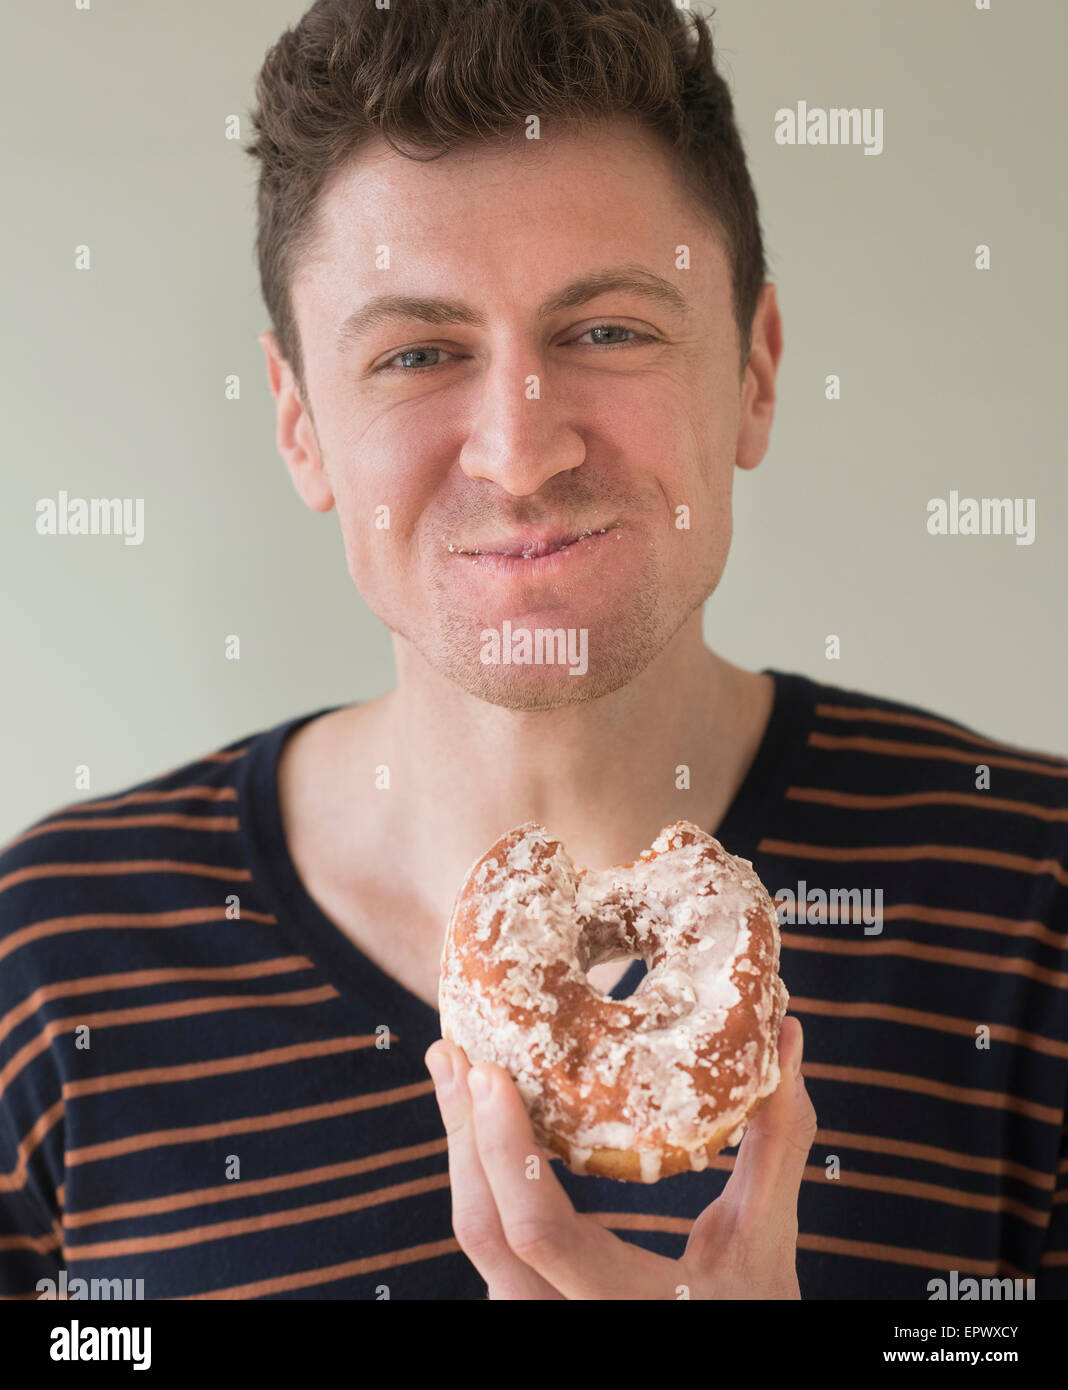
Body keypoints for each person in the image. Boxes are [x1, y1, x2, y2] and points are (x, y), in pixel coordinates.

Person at [2, 0, 1064, 1302]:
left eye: (607, 330)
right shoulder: (46, 965)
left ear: (756, 370)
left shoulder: (1038, 907)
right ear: (299, 425)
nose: (520, 448)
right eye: (418, 352)